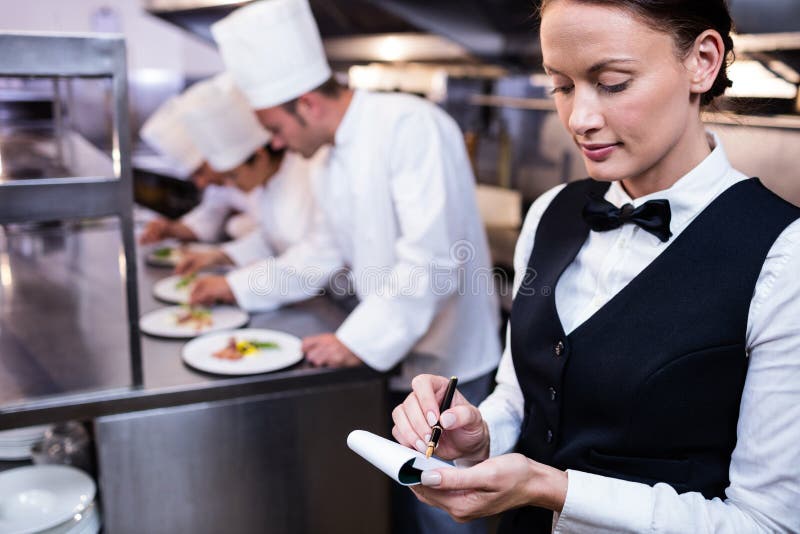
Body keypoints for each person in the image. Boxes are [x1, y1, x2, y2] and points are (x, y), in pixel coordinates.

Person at [390, 1, 800, 533]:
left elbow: (765, 523)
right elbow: (522, 397)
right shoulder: (551, 212)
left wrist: (552, 489)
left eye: (612, 83)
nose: (579, 119)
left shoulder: (782, 256)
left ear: (702, 60)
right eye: (561, 85)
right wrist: (479, 434)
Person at [194, 1, 503, 532]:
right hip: (394, 363)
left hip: (452, 368)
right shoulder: (326, 158)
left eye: (272, 125)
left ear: (307, 104)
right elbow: (319, 251)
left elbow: (432, 259)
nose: (273, 142)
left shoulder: (411, 126)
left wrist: (356, 340)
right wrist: (235, 286)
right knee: (408, 508)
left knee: (452, 515)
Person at [172, 73, 323, 275]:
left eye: (233, 176)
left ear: (260, 157)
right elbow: (271, 238)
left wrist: (233, 286)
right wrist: (220, 255)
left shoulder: (308, 173)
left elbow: (312, 257)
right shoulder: (269, 182)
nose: (231, 186)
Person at [138, 81, 259, 245]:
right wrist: (170, 230)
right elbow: (207, 220)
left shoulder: (260, 167)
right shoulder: (220, 185)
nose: (201, 184)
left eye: (200, 171)